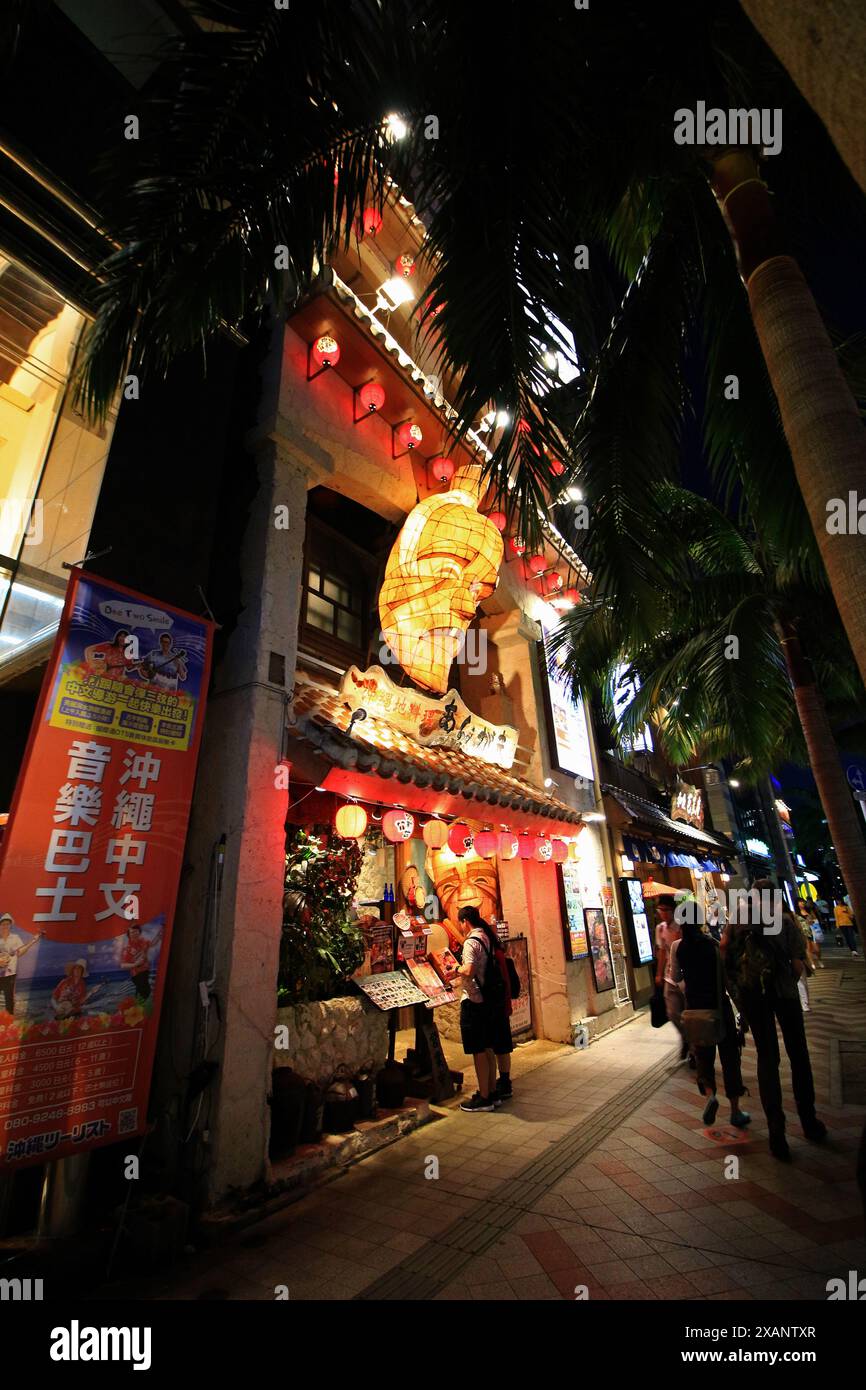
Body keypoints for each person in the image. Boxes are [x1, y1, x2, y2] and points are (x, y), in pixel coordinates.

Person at [724, 879, 826, 1161]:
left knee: (767, 1058)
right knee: (798, 1055)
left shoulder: (738, 922)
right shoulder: (785, 922)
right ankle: (809, 1121)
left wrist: (740, 994)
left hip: (753, 997)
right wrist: (785, 983)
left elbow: (726, 957)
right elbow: (796, 964)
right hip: (785, 994)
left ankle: (776, 1132)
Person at [669, 920, 750, 1129]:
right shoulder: (714, 946)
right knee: (730, 1058)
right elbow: (727, 980)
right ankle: (735, 1111)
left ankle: (710, 1096)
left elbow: (675, 977)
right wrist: (742, 1010)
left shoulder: (677, 947)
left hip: (695, 1010)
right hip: (719, 1009)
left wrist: (690, 991)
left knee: (704, 1059)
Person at [455, 905, 512, 1112]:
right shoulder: (487, 937)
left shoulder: (471, 942)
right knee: (488, 1048)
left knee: (478, 1050)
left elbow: (468, 970)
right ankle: (491, 1092)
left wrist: (455, 968)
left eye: (459, 923)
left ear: (464, 922)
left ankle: (485, 1097)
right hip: (488, 1001)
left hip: (474, 1001)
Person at [654, 895, 690, 1063]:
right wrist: (659, 973)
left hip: (685, 976)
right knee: (673, 1013)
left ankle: (694, 1049)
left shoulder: (682, 926)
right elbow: (662, 952)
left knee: (688, 1012)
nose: (663, 913)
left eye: (666, 910)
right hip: (669, 976)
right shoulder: (660, 929)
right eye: (660, 910)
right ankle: (687, 1038)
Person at [0, 914, 42, 1015]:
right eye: (3, 924)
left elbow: (20, 952)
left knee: (9, 998)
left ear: (11, 925)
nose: (5, 926)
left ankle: (9, 1020)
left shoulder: (15, 938)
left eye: (7, 924)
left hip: (10, 974)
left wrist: (33, 941)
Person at [797, 900, 824, 970]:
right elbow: (797, 924)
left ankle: (819, 960)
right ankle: (812, 963)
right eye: (800, 902)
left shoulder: (809, 911)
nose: (802, 903)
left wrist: (812, 921)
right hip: (804, 932)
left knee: (817, 949)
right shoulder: (796, 913)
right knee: (808, 948)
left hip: (813, 931)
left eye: (803, 902)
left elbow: (815, 919)